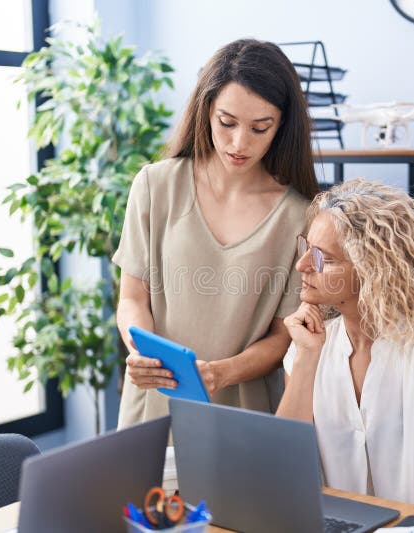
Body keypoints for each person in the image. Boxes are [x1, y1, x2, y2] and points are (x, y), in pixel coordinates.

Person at [112, 38, 319, 428]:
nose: (239, 143)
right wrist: (140, 349)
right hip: (154, 404)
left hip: (245, 413)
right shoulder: (156, 186)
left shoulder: (300, 216)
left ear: (282, 126)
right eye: (227, 122)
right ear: (206, 110)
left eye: (260, 128)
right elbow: (132, 298)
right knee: (142, 491)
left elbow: (284, 337)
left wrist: (221, 373)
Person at [276, 179, 414, 520]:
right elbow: (284, 472)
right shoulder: (309, 347)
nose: (303, 265)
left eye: (325, 258)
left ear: (373, 272)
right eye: (306, 247)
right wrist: (307, 358)